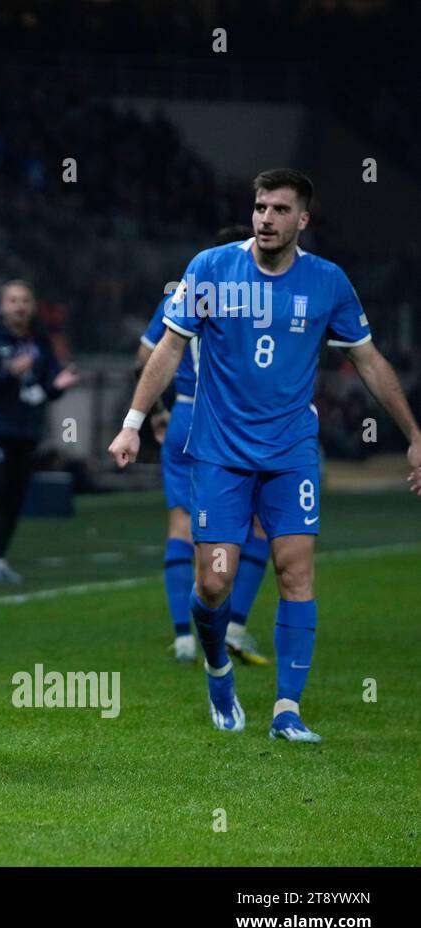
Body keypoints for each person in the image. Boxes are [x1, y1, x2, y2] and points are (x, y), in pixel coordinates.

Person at [110, 168, 421, 742]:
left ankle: (287, 710)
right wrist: (133, 424)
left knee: (295, 572)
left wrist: (412, 433)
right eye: (259, 208)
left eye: (280, 210)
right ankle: (218, 670)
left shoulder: (328, 282)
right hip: (221, 453)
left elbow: (369, 359)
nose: (266, 219)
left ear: (303, 219)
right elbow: (169, 346)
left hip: (290, 452)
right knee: (213, 585)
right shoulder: (209, 268)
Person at [137, 224, 270, 665]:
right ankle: (232, 628)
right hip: (234, 422)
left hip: (184, 415)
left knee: (181, 525)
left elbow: (147, 352)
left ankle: (183, 639)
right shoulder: (254, 298)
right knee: (256, 525)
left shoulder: (185, 291)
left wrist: (157, 411)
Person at [0, 280, 77, 586]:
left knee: (16, 495)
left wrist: (59, 384)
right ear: (2, 305)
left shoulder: (40, 341)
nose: (19, 306)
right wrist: (10, 371)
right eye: (13, 300)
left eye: (25, 300)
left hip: (26, 428)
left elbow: (47, 383)